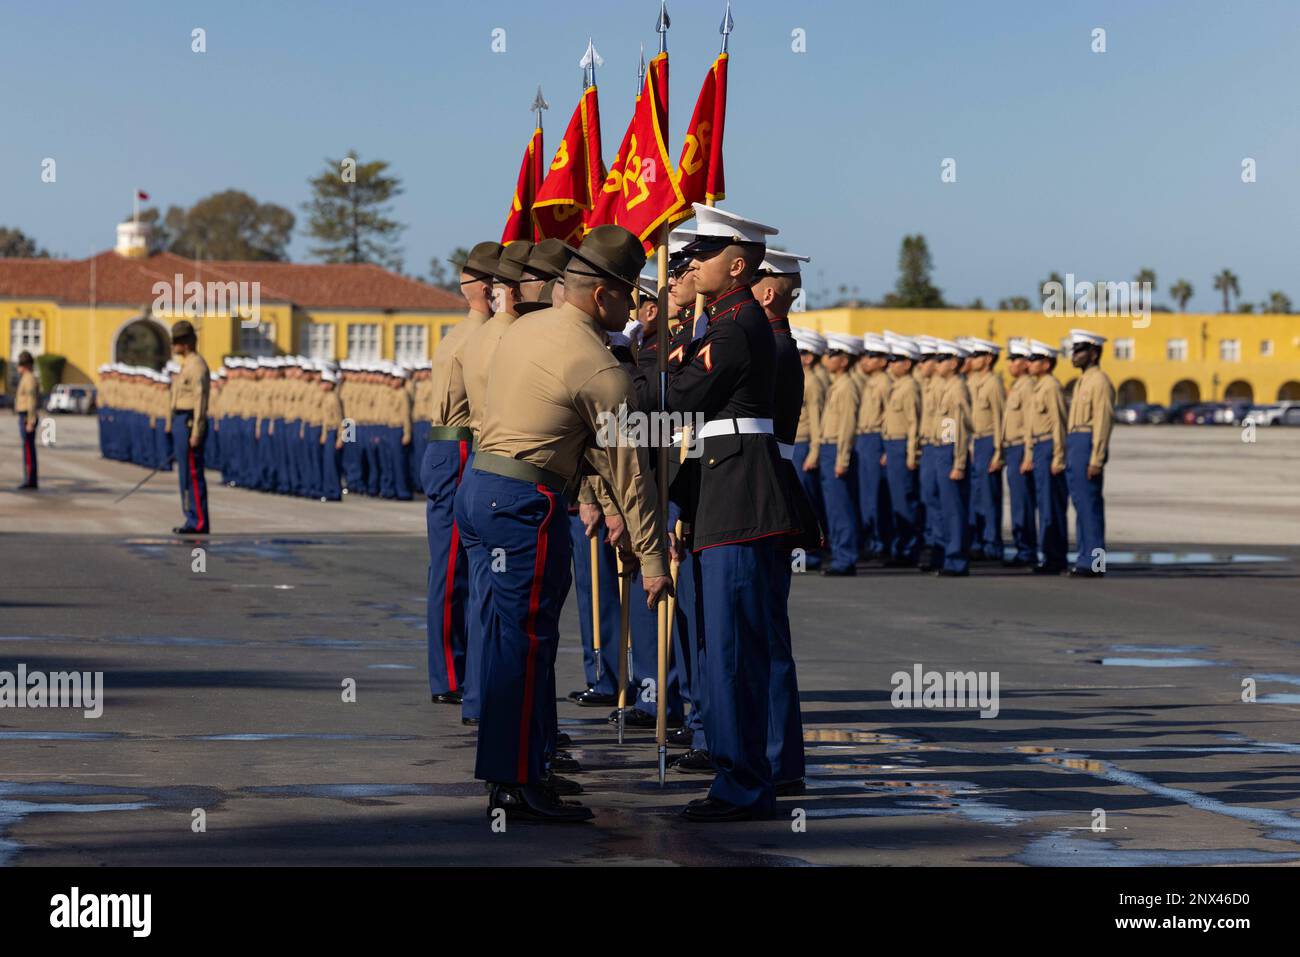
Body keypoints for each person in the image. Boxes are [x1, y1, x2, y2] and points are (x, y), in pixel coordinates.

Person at [454, 224, 670, 823]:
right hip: (523, 503)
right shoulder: (598, 366)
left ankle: (520, 768)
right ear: (602, 296)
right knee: (526, 645)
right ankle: (517, 783)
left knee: (506, 643)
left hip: (482, 490)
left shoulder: (525, 329)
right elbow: (629, 472)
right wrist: (652, 557)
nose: (632, 307)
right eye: (627, 295)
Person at [667, 204, 802, 822]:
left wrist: (626, 372)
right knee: (728, 645)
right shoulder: (725, 322)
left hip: (742, 495)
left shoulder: (733, 324)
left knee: (734, 650)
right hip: (726, 490)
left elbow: (682, 398)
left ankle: (745, 783)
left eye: (703, 254)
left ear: (739, 264)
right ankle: (741, 777)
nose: (692, 263)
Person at [422, 241, 501, 707]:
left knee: (454, 566)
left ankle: (453, 670)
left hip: (449, 446)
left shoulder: (461, 333)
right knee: (456, 569)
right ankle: (453, 673)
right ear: (487, 288)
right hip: (460, 446)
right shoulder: (479, 338)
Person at [1065, 329, 1115, 578]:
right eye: (1073, 350)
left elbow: (1103, 422)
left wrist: (1096, 457)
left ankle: (1096, 562)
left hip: (1087, 443)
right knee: (1081, 505)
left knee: (1091, 506)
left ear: (1093, 353)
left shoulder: (1100, 382)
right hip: (1075, 442)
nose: (1073, 355)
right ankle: (1085, 558)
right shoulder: (1082, 382)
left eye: (1079, 351)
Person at [818, 332, 864, 576]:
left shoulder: (847, 387)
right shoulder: (837, 384)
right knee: (833, 508)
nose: (828, 358)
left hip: (837, 448)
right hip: (828, 447)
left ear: (845, 360)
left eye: (833, 354)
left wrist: (842, 458)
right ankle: (839, 554)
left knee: (841, 507)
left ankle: (845, 557)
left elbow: (847, 426)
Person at [930, 339, 973, 576]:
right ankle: (948, 555)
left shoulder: (957, 389)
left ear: (954, 363)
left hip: (950, 451)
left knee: (954, 508)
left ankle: (956, 560)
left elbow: (959, 429)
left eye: (942, 359)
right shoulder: (947, 387)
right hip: (941, 449)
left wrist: (958, 462)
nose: (937, 363)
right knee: (943, 505)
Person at [1025, 340, 1069, 574]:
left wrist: (1058, 456)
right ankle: (1049, 555)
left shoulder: (1050, 387)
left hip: (1048, 446)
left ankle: (1055, 557)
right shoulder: (1038, 386)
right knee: (1044, 505)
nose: (1028, 364)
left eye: (1034, 360)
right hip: (1038, 447)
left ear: (1047, 363)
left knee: (1051, 505)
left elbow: (1058, 423)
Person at [881, 334, 922, 566]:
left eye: (895, 360)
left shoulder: (909, 388)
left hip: (903, 446)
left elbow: (913, 423)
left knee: (905, 501)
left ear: (907, 363)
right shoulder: (899, 386)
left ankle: (909, 550)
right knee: (897, 501)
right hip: (893, 445)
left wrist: (911, 453)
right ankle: (901, 548)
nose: (891, 364)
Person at [791, 329, 828, 571]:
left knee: (807, 502)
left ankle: (811, 554)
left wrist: (814, 451)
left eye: (802, 352)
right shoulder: (798, 375)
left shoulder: (812, 381)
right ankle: (800, 554)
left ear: (809, 356)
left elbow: (816, 420)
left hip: (804, 445)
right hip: (793, 444)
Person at [168, 320, 211, 534]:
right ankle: (191, 517)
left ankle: (199, 521)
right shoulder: (186, 365)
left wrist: (196, 431)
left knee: (193, 475)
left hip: (189, 421)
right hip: (180, 420)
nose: (173, 346)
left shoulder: (197, 366)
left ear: (185, 343)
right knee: (185, 475)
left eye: (176, 341)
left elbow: (200, 401)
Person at [854, 333, 894, 561]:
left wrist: (887, 448)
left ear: (882, 360)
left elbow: (888, 416)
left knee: (879, 495)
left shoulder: (885, 383)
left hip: (877, 438)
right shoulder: (870, 381)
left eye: (871, 356)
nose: (865, 361)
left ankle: (882, 543)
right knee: (867, 495)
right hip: (865, 438)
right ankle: (873, 540)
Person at [965, 338, 1006, 562]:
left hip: (988, 441)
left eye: (977, 355)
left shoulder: (993, 383)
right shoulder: (970, 382)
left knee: (988, 496)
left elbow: (1001, 419)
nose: (972, 359)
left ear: (988, 359)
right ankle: (976, 541)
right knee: (973, 496)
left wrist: (1000, 452)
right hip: (972, 442)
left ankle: (991, 545)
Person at [1001, 339, 1038, 567]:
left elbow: (1030, 424)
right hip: (1011, 447)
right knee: (1016, 502)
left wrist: (1028, 454)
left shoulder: (1028, 388)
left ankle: (1026, 550)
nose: (1010, 364)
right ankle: (1022, 548)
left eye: (1015, 359)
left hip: (1020, 448)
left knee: (1023, 502)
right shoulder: (1016, 387)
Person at [13, 351, 40, 490]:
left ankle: (30, 479)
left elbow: (31, 400)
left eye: (20, 364)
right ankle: (30, 478)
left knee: (28, 449)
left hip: (27, 416)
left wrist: (30, 420)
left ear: (26, 365)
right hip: (24, 416)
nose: (18, 367)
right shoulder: (25, 377)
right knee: (27, 448)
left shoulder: (28, 378)